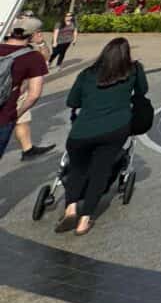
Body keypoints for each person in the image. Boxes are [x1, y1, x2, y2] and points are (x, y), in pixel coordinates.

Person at [57, 37, 148, 235]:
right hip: (115, 129)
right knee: (100, 172)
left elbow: (72, 100)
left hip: (82, 131)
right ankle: (85, 220)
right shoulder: (133, 70)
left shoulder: (87, 73)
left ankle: (71, 208)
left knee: (77, 169)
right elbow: (142, 91)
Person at [0, 19, 54, 161]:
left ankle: (28, 148)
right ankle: (28, 150)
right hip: (5, 115)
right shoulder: (33, 57)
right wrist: (16, 114)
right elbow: (34, 95)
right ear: (34, 34)